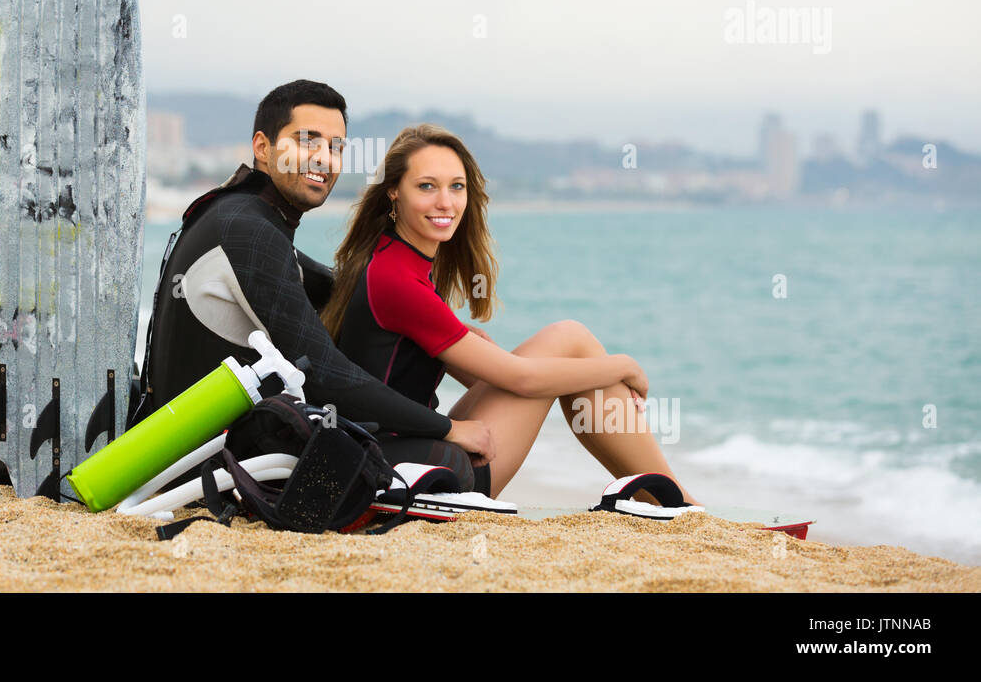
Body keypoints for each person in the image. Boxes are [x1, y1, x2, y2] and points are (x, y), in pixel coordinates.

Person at [133, 81, 495, 487]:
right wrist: (447, 427)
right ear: (263, 147)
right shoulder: (249, 230)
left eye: (336, 146)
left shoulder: (244, 214)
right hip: (206, 465)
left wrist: (450, 336)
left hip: (213, 451)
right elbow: (325, 374)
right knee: (452, 460)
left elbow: (339, 289)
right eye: (308, 141)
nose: (324, 158)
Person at [321, 123, 699, 504]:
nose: (445, 202)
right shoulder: (397, 278)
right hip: (409, 468)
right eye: (426, 186)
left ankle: (671, 501)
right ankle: (676, 503)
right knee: (571, 342)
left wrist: (465, 343)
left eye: (456, 186)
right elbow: (523, 380)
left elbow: (487, 376)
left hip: (404, 448)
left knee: (569, 348)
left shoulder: (391, 259)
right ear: (393, 192)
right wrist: (625, 367)